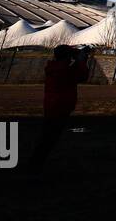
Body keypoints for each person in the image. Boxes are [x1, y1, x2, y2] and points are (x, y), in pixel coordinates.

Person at [26, 45, 91, 173]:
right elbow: (81, 76)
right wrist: (81, 60)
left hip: (53, 105)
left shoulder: (56, 68)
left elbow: (72, 74)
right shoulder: (63, 70)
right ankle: (35, 163)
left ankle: (36, 162)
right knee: (50, 137)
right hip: (59, 106)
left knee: (48, 136)